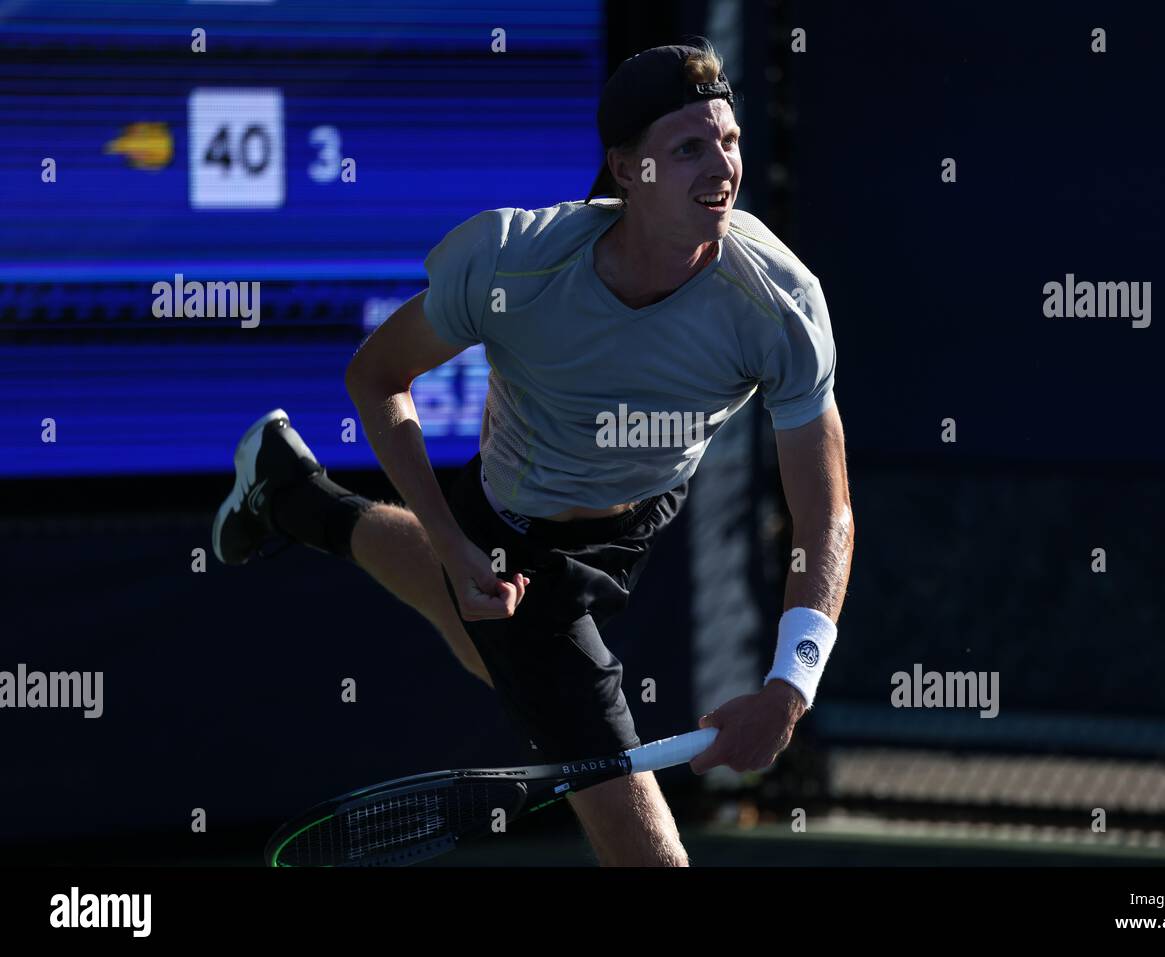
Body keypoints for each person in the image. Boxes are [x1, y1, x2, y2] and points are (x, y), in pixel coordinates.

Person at [212, 39, 853, 866]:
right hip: (514, 523)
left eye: (728, 140)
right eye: (689, 147)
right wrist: (455, 540)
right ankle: (305, 500)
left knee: (461, 617)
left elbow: (824, 507)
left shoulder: (780, 303)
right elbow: (376, 377)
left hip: (641, 513)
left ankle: (294, 492)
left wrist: (790, 685)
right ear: (626, 170)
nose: (722, 165)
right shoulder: (515, 262)